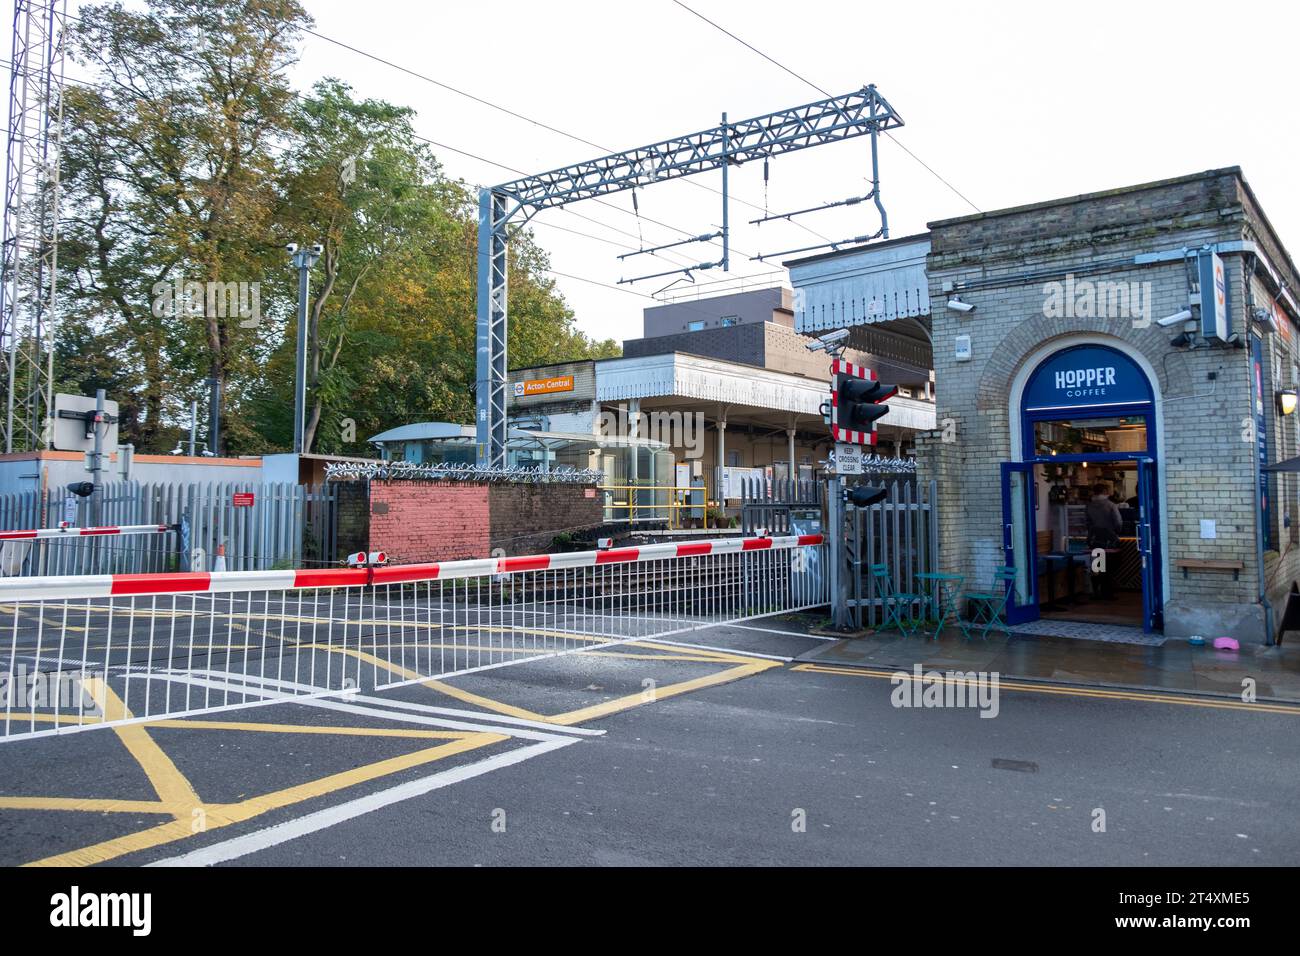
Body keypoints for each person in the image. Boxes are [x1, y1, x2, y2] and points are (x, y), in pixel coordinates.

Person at [1085, 482, 1122, 598]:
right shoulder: (1111, 505)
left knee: (1097, 565)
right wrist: (1116, 532)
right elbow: (1118, 522)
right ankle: (1107, 592)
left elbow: (1087, 523)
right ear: (1105, 492)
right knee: (1110, 565)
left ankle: (1096, 591)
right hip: (1109, 540)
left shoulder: (1089, 506)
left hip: (1095, 540)